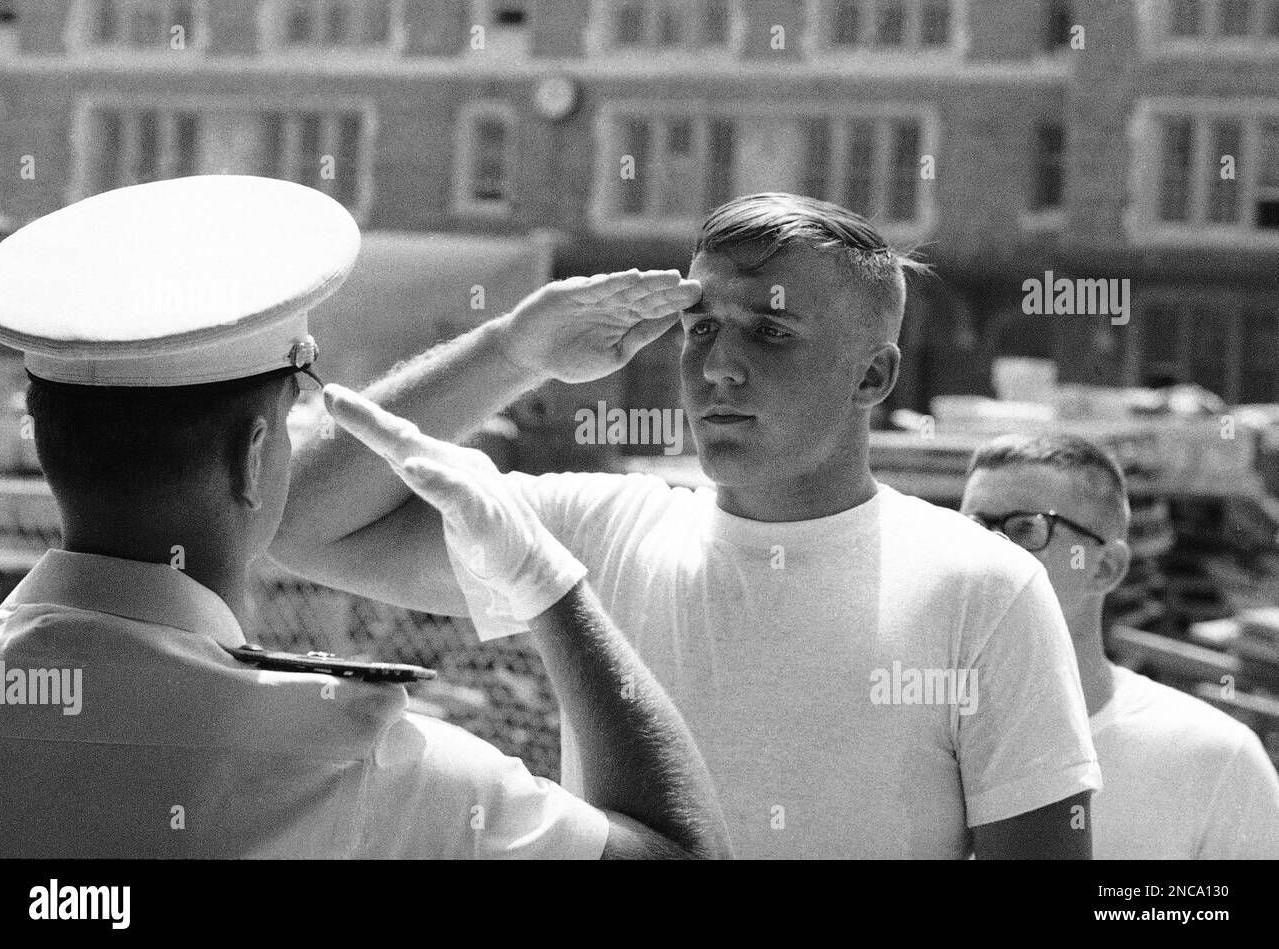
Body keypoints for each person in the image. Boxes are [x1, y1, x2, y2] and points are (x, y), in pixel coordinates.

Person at [274, 192, 1101, 858]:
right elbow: (297, 522)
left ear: (874, 374)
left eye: (771, 332)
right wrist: (511, 349)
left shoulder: (983, 585)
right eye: (700, 326)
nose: (717, 366)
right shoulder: (593, 531)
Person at [0, 174, 729, 860]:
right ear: (254, 455)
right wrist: (550, 586)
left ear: (44, 437)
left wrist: (508, 349)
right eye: (292, 413)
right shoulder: (373, 768)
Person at [961, 433, 1279, 858]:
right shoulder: (913, 733)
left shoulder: (1215, 759)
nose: (987, 549)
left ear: (1105, 567)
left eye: (1026, 528)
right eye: (972, 527)